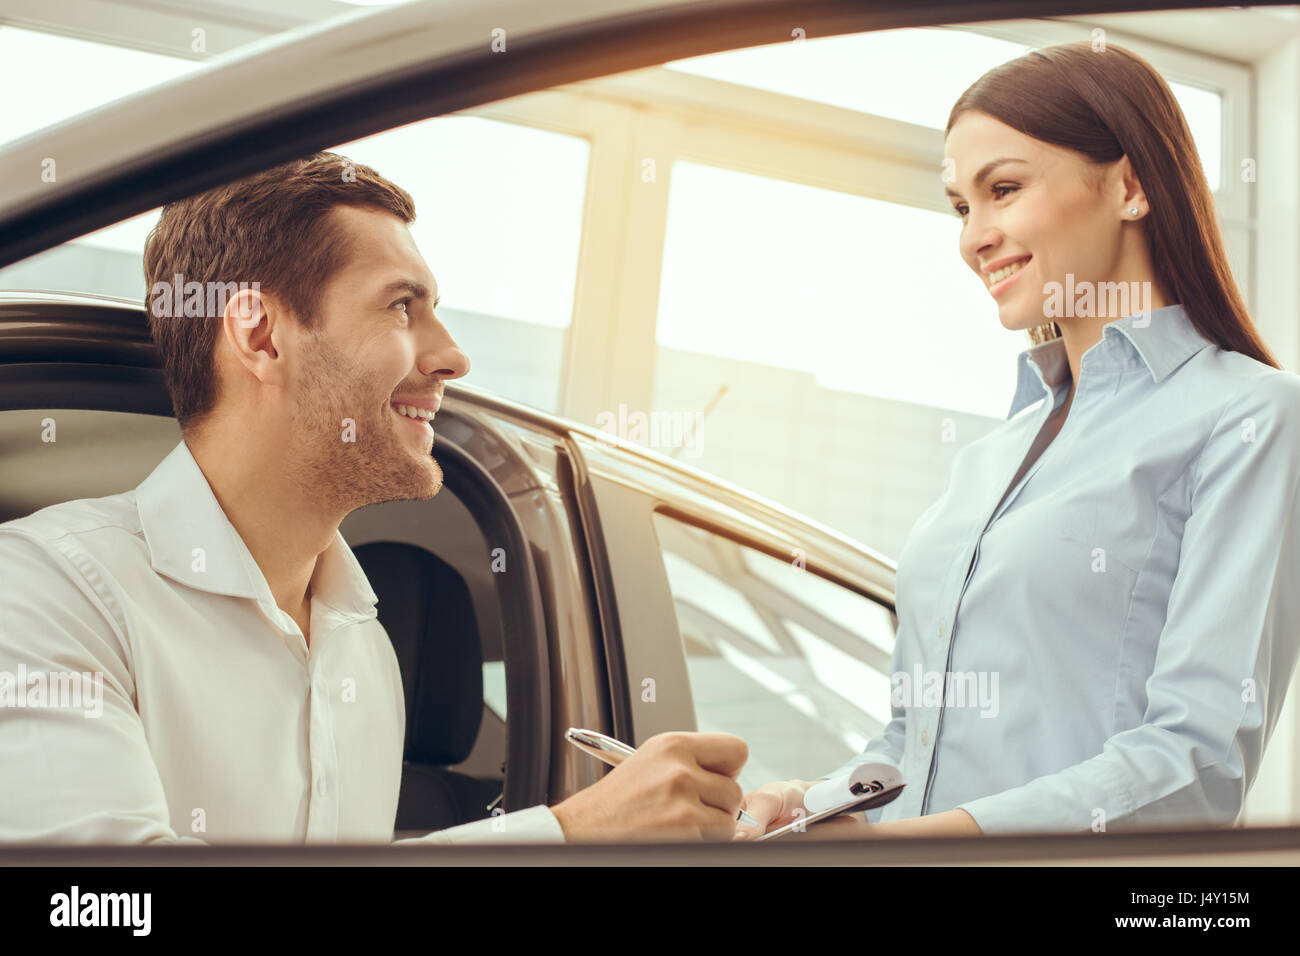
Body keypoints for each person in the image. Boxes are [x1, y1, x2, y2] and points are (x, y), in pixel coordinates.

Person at [0, 153, 746, 845]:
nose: (450, 354)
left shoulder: (368, 655)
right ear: (260, 335)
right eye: (400, 307)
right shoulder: (46, 591)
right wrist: (565, 837)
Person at [737, 41, 1300, 839]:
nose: (973, 238)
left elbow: (1196, 765)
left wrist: (911, 848)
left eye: (1002, 189)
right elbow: (914, 744)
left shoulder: (1251, 417)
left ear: (1131, 186)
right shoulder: (993, 455)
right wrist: (809, 805)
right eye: (962, 208)